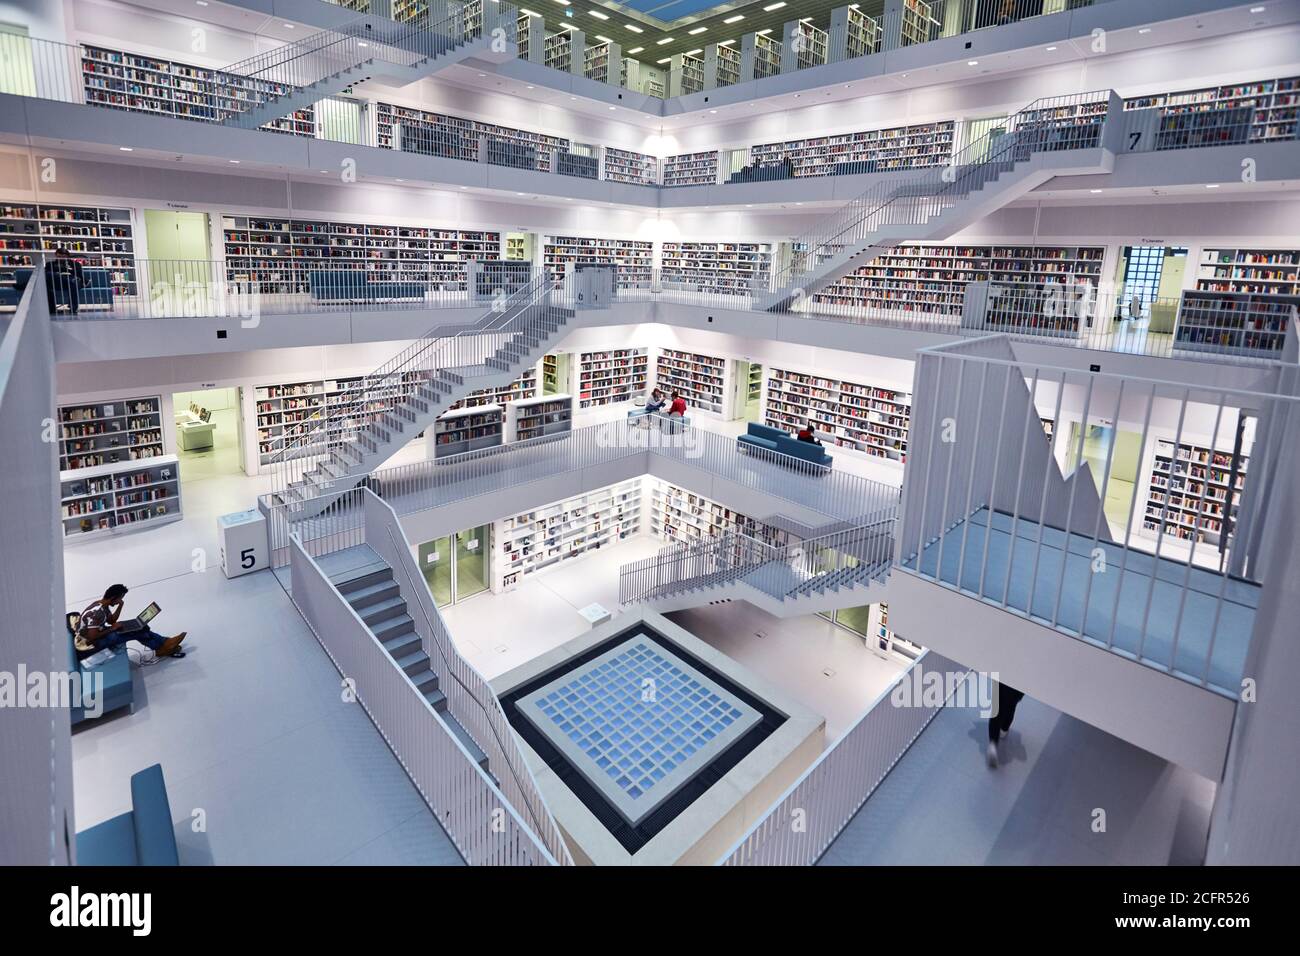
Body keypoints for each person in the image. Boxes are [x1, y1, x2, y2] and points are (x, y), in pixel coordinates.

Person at [75, 584, 187, 660]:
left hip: (95, 635)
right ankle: (162, 647)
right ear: (113, 598)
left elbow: (112, 620)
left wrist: (120, 605)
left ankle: (164, 644)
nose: (120, 600)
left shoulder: (101, 605)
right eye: (119, 598)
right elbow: (92, 637)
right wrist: (112, 629)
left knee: (139, 627)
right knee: (137, 632)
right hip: (91, 644)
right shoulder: (98, 612)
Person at [986, 678, 1025, 768]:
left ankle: (993, 744)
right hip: (1019, 686)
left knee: (997, 712)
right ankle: (1004, 730)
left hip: (1005, 680)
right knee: (1011, 705)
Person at [47, 247, 85, 316]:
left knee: (73, 281)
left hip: (72, 282)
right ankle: (52, 309)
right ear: (56, 255)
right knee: (48, 278)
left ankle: (73, 308)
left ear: (67, 256)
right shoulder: (50, 264)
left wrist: (67, 269)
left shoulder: (76, 264)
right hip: (57, 283)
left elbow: (79, 275)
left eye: (63, 257)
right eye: (59, 256)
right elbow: (47, 275)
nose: (61, 258)